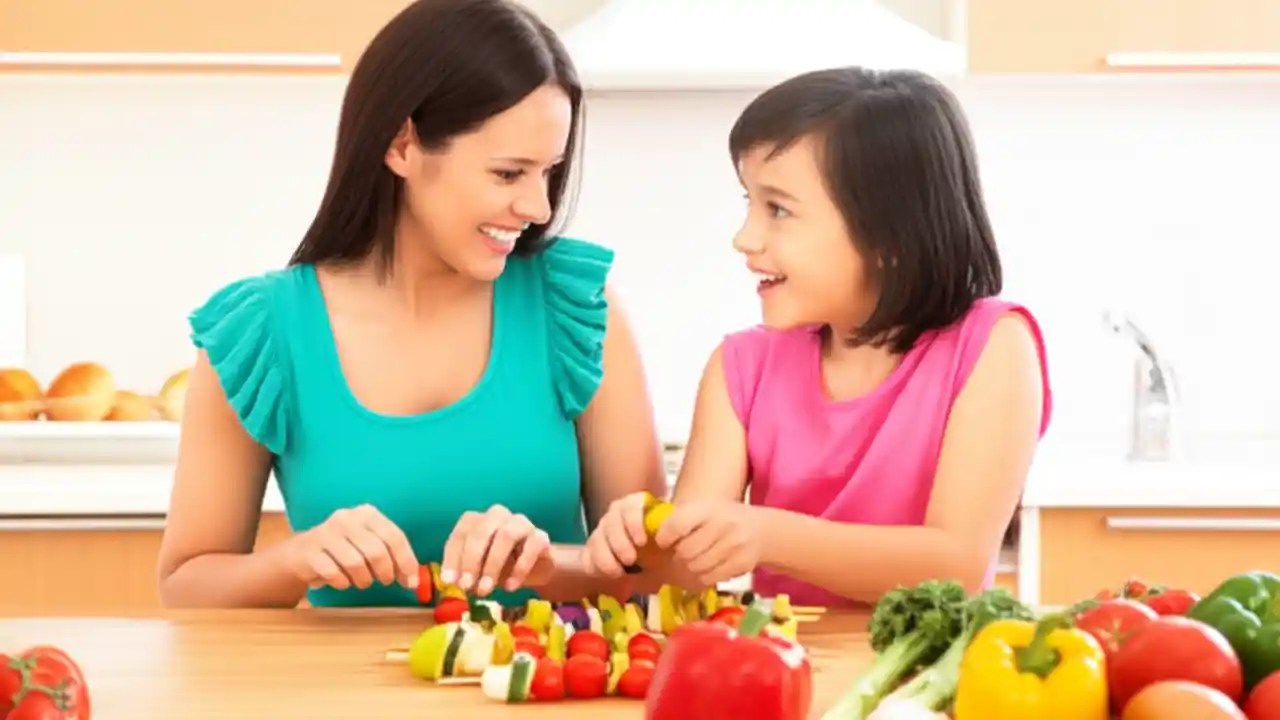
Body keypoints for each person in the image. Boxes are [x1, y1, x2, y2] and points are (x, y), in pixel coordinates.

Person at [156, 0, 669, 609]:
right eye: (509, 174)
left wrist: (547, 566)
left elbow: (655, 571)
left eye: (548, 173)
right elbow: (184, 589)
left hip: (547, 699)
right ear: (402, 146)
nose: (538, 206)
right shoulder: (263, 333)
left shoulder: (577, 308)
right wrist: (294, 563)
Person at [583, 67, 1052, 609]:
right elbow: (685, 573)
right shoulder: (742, 367)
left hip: (925, 680)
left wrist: (765, 535)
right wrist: (641, 538)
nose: (744, 237)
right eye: (749, 203)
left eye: (778, 209)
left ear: (887, 235)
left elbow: (956, 565)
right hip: (783, 669)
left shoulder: (993, 346)